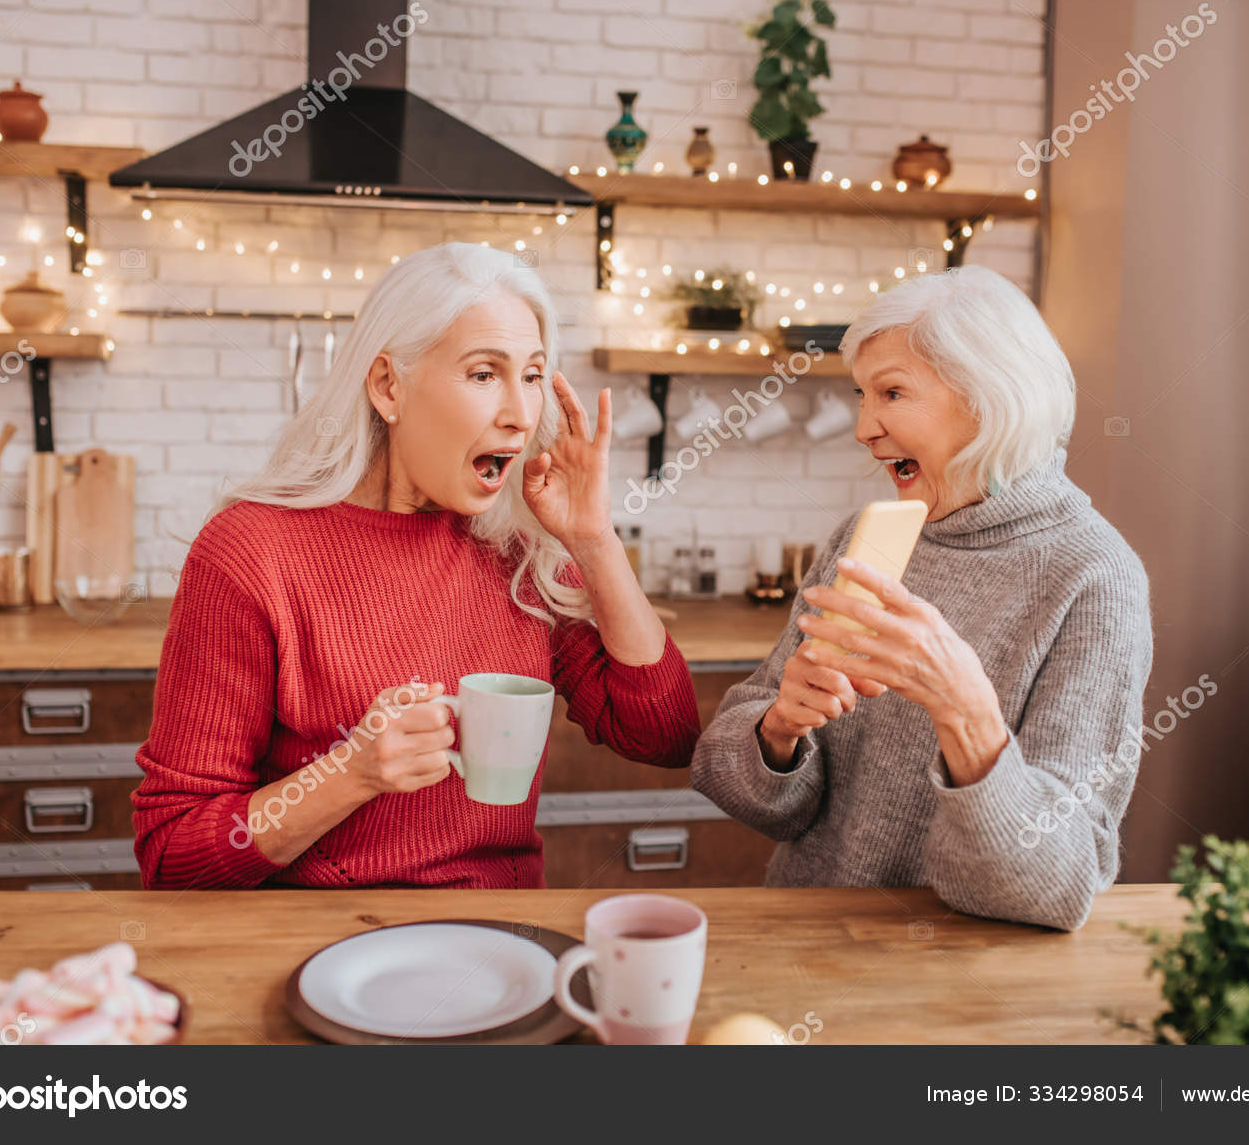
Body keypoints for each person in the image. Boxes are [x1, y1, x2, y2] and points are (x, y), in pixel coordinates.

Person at [132, 243, 700, 889]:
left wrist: (594, 540)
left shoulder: (516, 553)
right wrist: (352, 773)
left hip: (495, 936)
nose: (519, 413)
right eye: (484, 374)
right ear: (388, 385)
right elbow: (173, 855)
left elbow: (666, 735)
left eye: (534, 375)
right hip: (318, 948)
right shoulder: (250, 552)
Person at [692, 266, 1153, 930]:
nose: (863, 428)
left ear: (989, 397)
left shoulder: (1094, 576)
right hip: (810, 952)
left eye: (892, 392)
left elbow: (1057, 885)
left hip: (955, 996)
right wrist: (778, 732)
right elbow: (740, 785)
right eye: (861, 393)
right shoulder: (864, 536)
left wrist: (965, 712)